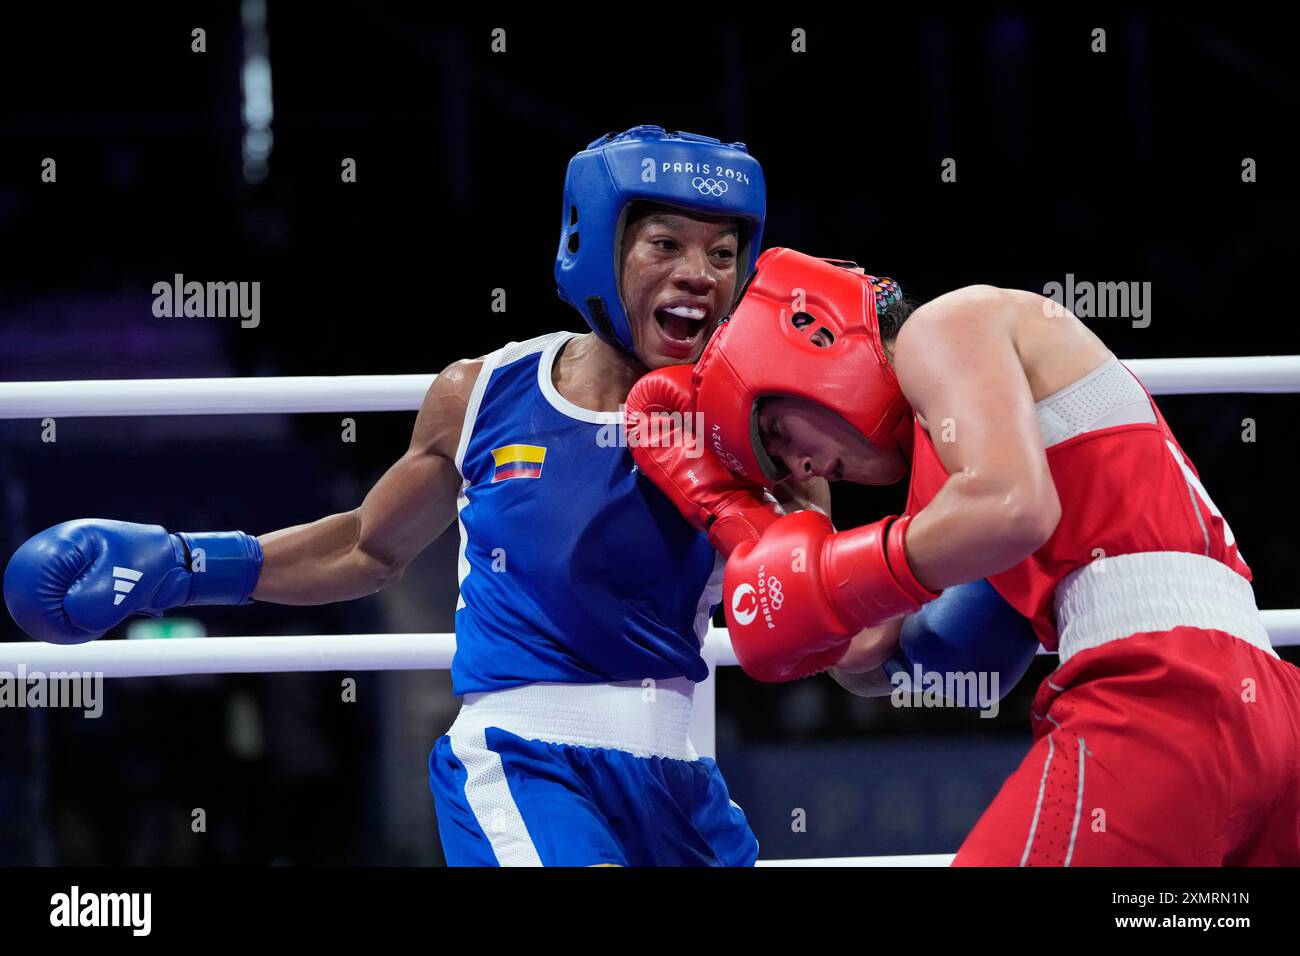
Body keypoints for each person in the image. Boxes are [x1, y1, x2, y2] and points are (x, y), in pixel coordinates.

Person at [5, 126, 771, 866]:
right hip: (526, 759)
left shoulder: (755, 422)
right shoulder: (486, 393)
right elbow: (368, 547)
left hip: (680, 775)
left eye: (723, 253)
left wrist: (892, 597)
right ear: (598, 244)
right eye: (665, 244)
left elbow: (827, 613)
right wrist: (184, 564)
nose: (699, 273)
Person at [628, 246, 1300, 865]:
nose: (799, 462)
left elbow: (1014, 507)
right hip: (1257, 707)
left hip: (1162, 692)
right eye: (779, 462)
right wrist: (770, 535)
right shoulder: (957, 478)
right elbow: (882, 658)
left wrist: (825, 577)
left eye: (775, 432)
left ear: (813, 338)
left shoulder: (946, 326)